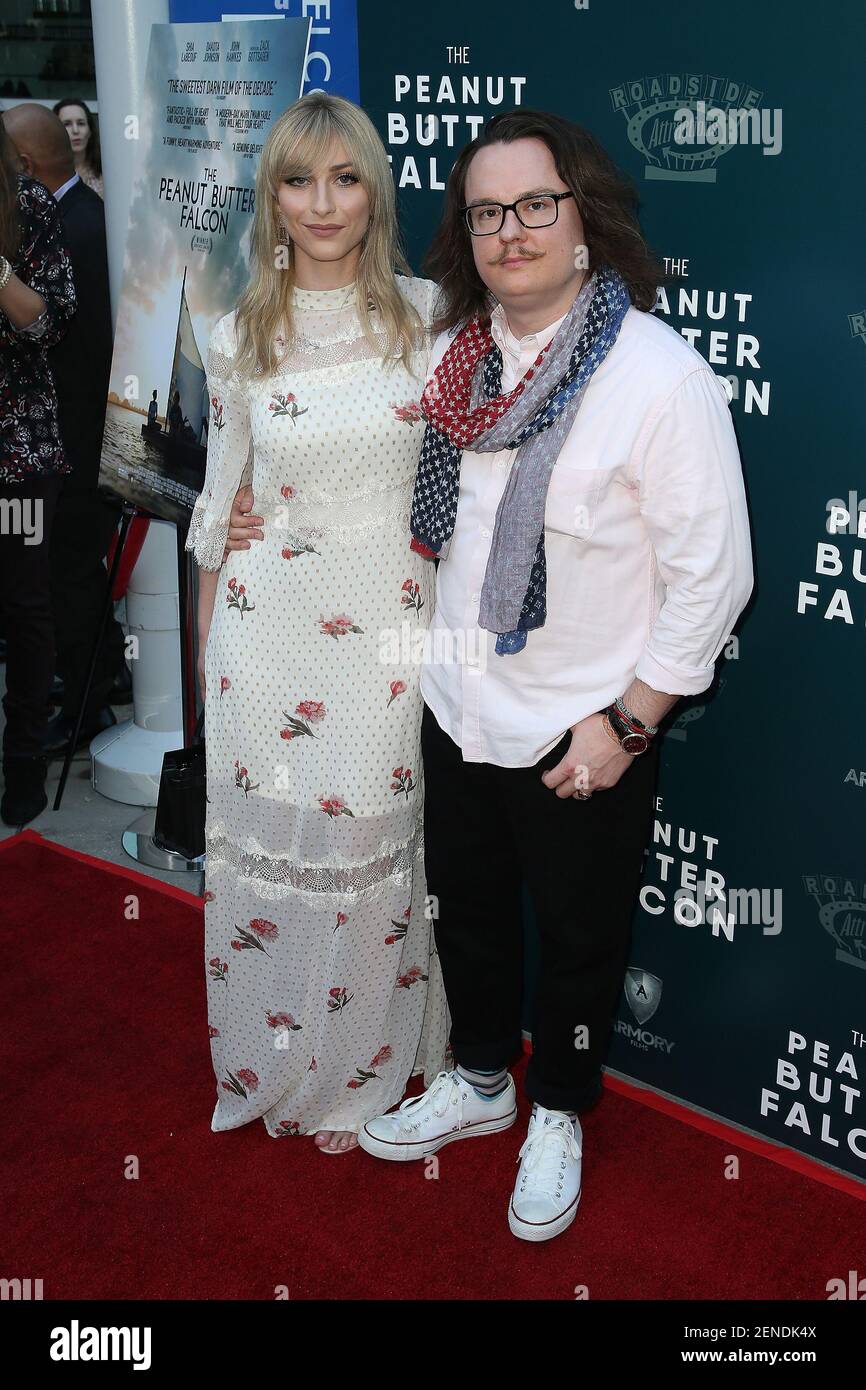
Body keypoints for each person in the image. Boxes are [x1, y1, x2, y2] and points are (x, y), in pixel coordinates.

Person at [352, 110, 754, 1240]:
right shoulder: (448, 355)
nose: (510, 230)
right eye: (486, 212)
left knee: (579, 943)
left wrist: (624, 727)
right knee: (469, 916)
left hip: (580, 727)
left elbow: (712, 579)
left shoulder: (653, 377)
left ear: (584, 219)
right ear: (464, 235)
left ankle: (560, 1110)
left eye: (535, 204)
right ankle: (480, 1082)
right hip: (453, 702)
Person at [185, 93, 448, 1155]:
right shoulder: (233, 333)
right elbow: (218, 510)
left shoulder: (425, 315)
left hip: (387, 635)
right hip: (266, 633)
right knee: (275, 856)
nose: (322, 202)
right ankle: (273, 1058)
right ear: (271, 198)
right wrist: (210, 676)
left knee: (369, 849)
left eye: (344, 178)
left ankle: (371, 1063)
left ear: (372, 192)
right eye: (298, 180)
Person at [4, 103, 123, 756]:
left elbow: (77, 345)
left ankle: (86, 705)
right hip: (74, 436)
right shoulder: (83, 218)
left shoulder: (69, 230)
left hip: (73, 441)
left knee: (68, 576)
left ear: (22, 166)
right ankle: (94, 680)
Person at [0, 120, 76, 825]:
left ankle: (22, 760)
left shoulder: (30, 206)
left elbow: (52, 324)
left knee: (23, 605)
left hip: (17, 453)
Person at [53, 98, 103, 200]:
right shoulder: (47, 174)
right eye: (67, 124)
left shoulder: (106, 171)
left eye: (81, 123)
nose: (75, 131)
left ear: (90, 130)